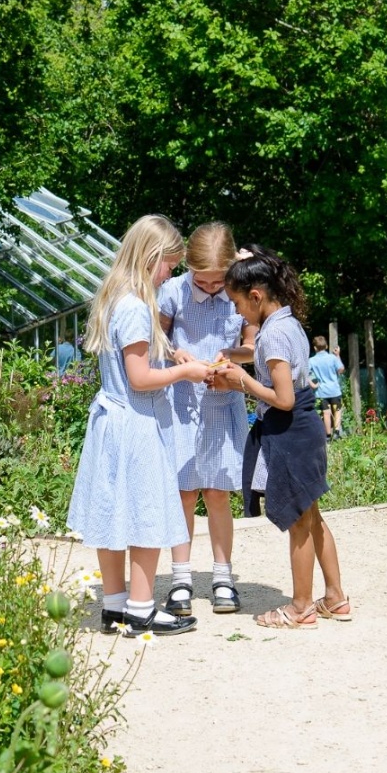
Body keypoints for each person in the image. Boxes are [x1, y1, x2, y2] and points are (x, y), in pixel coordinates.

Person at [67, 215, 211, 638]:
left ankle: (113, 606)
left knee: (113, 513)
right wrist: (187, 373)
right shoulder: (134, 307)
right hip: (136, 423)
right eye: (168, 263)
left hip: (112, 422)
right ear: (151, 258)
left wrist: (174, 353)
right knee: (146, 514)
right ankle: (142, 609)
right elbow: (139, 378)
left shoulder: (115, 296)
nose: (171, 273)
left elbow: (137, 359)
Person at [209, 246, 352, 628]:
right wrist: (236, 364)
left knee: (298, 522)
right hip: (306, 430)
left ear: (256, 296)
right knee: (313, 516)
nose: (238, 312)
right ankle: (335, 597)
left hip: (289, 432)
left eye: (239, 304)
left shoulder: (271, 336)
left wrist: (241, 383)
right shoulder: (289, 323)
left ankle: (301, 607)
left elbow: (283, 398)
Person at [157, 222, 257, 616]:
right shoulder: (172, 292)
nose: (212, 288)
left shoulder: (239, 294)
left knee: (218, 492)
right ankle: (180, 578)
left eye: (219, 282)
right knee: (183, 493)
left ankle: (222, 576)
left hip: (222, 402)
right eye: (204, 281)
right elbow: (157, 339)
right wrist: (177, 354)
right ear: (188, 268)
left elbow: (252, 346)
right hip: (181, 403)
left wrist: (230, 358)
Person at [308, 335, 346, 440]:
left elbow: (305, 373)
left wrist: (312, 384)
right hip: (334, 390)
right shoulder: (332, 358)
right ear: (327, 346)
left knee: (326, 412)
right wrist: (338, 355)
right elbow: (341, 370)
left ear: (315, 348)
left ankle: (328, 435)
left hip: (321, 391)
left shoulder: (311, 360)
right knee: (337, 410)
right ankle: (337, 432)